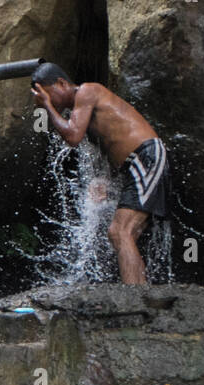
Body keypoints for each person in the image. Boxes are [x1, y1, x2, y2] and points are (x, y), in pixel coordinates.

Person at [29, 61, 171, 285]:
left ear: (61, 83)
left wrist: (47, 106)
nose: (50, 101)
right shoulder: (81, 112)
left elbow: (73, 137)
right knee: (127, 235)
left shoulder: (88, 90)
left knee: (119, 232)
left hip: (146, 157)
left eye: (49, 94)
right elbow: (109, 146)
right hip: (134, 165)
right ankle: (143, 294)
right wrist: (102, 180)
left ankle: (134, 298)